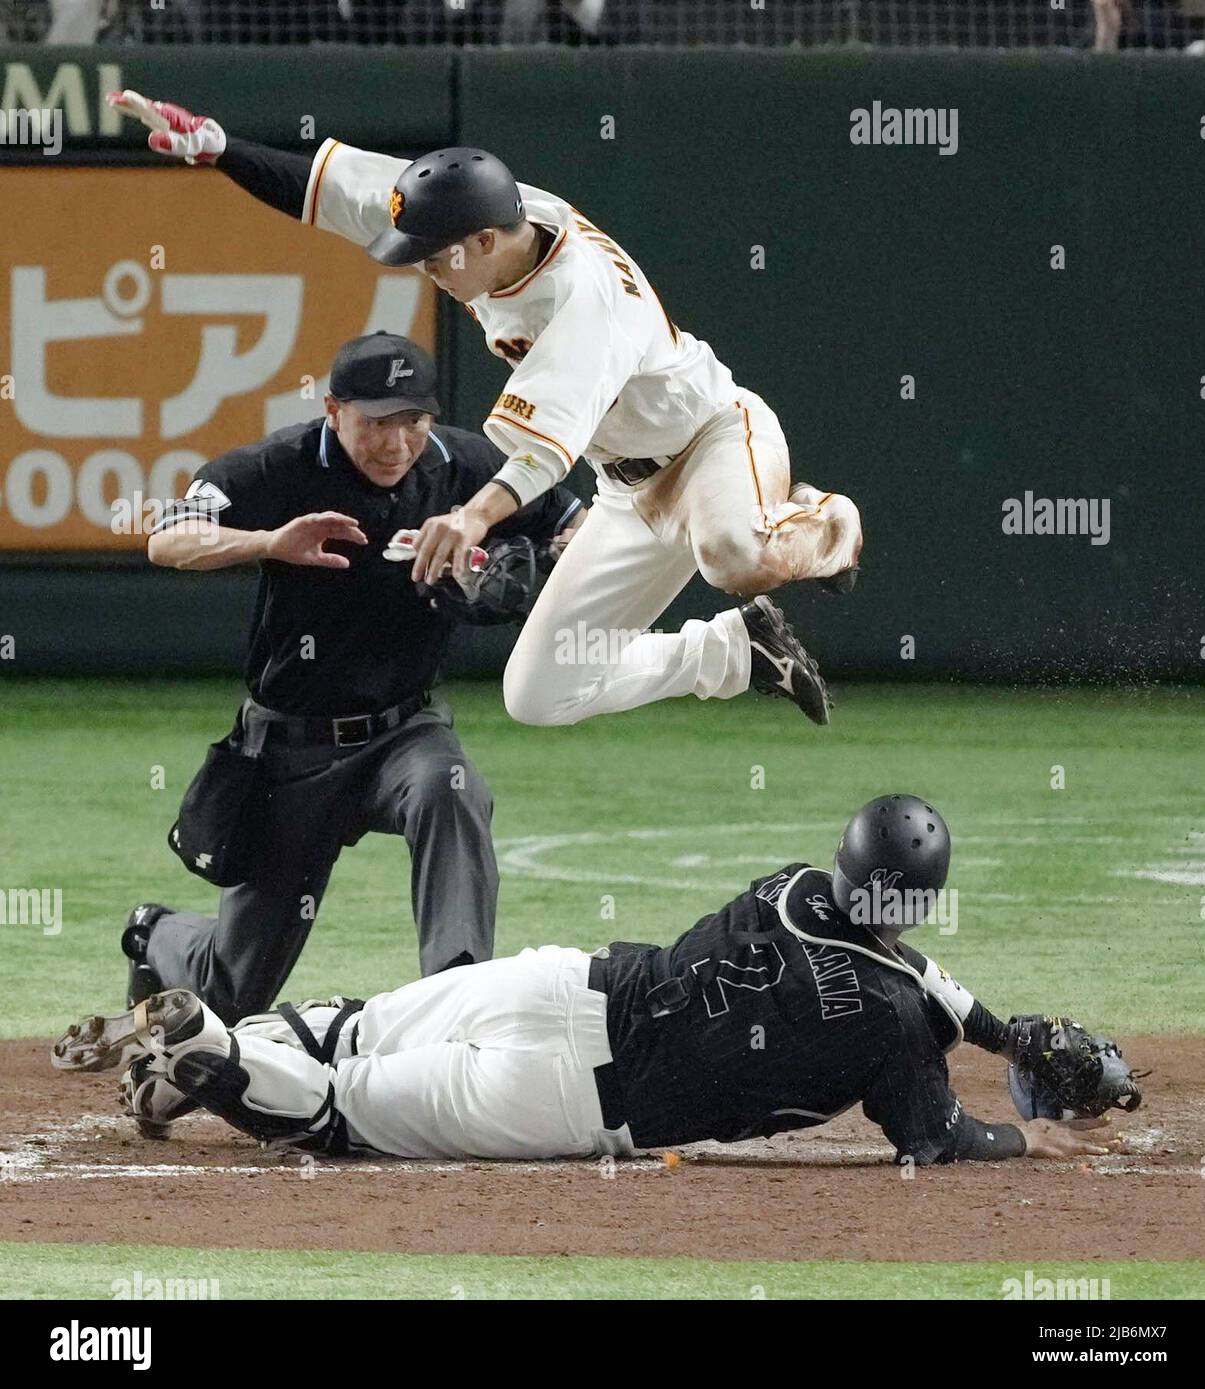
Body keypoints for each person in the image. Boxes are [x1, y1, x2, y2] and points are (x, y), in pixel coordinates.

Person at [105, 90, 864, 730]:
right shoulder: (478, 217)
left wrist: (471, 517)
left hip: (711, 441)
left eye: (437, 256)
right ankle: (738, 653)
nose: (428, 269)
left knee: (732, 554)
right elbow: (325, 191)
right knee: (540, 693)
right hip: (628, 490)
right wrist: (217, 147)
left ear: (483, 239)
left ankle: (823, 524)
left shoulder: (582, 297)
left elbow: (539, 452)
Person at [54, 795, 1136, 1164]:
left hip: (556, 979)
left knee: (344, 1032)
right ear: (922, 901)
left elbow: (881, 951)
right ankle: (213, 1054)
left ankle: (217, 1050)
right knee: (339, 1116)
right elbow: (931, 1137)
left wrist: (992, 1026)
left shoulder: (793, 887)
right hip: (570, 1100)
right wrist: (1015, 1124)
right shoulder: (897, 1028)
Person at [121, 330, 583, 1136]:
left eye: (411, 419)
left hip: (404, 735)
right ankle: (156, 934)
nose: (395, 441)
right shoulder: (280, 468)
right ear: (333, 410)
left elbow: (574, 522)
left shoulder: (466, 468)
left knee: (451, 786)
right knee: (231, 994)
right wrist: (266, 542)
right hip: (289, 750)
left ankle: (462, 1004)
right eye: (374, 421)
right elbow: (168, 536)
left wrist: (551, 562)